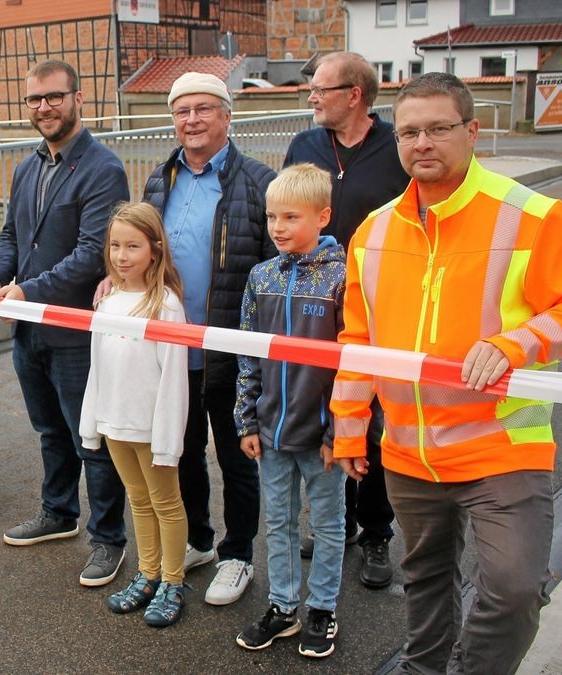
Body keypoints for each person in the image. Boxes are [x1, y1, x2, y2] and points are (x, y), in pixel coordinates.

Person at [331, 72, 562, 674]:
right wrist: (348, 426)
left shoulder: (531, 216)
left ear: (473, 132)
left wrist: (517, 341)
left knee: (514, 588)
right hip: (407, 451)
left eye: (439, 129)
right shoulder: (373, 233)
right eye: (410, 132)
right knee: (424, 583)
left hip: (501, 449)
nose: (422, 143)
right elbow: (357, 340)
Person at [0, 59, 131, 587]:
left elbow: (93, 254)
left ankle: (108, 538)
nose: (43, 107)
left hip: (74, 331)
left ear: (78, 98)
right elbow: (11, 236)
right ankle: (59, 512)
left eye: (54, 97)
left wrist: (24, 290)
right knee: (49, 430)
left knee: (91, 436)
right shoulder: (27, 168)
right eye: (34, 99)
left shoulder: (102, 168)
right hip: (29, 330)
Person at [141, 71, 276, 605]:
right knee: (183, 450)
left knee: (236, 455)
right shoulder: (160, 179)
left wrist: (264, 352)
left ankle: (238, 553)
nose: (191, 121)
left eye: (203, 109)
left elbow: (272, 269)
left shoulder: (258, 182)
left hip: (232, 350)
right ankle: (198, 538)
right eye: (181, 111)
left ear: (226, 116)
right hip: (173, 349)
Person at [284, 51, 408, 589]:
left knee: (376, 423)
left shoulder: (396, 148)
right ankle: (342, 521)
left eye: (321, 88)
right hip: (318, 311)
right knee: (330, 418)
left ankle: (378, 532)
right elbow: (288, 207)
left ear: (354, 94)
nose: (311, 95)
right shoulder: (305, 146)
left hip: (382, 307)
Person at [232, 163, 346, 658]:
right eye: (272, 216)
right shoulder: (261, 276)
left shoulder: (343, 278)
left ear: (322, 216)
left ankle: (322, 608)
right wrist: (246, 419)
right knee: (277, 521)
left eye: (291, 217)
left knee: (327, 524)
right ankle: (283, 607)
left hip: (322, 434)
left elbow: (354, 365)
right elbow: (247, 353)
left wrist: (340, 432)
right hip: (271, 433)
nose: (278, 227)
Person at [80, 202, 189, 627]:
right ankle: (148, 574)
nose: (122, 256)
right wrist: (93, 423)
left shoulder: (166, 304)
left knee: (166, 503)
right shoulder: (107, 301)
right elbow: (98, 366)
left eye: (133, 246)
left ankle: (173, 582)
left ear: (155, 251)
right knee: (139, 502)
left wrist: (167, 440)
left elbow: (174, 379)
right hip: (114, 422)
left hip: (150, 426)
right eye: (115, 246)